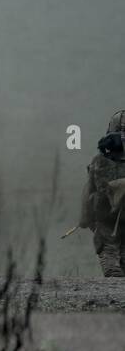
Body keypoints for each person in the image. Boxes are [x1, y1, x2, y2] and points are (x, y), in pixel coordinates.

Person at [78, 109, 125, 277]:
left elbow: (90, 190)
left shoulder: (100, 159)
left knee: (110, 259)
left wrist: (86, 219)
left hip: (106, 215)